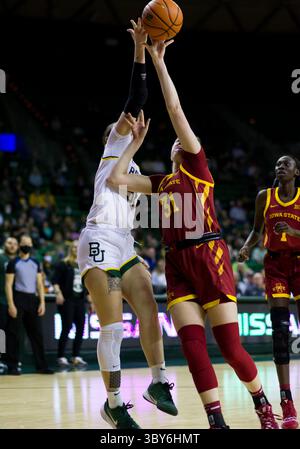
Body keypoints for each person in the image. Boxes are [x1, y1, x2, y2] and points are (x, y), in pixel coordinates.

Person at [108, 39, 278, 429]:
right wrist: (133, 143)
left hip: (209, 255)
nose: (178, 139)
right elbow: (118, 177)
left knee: (231, 348)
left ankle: (262, 404)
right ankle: (216, 420)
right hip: (177, 262)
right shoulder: (161, 180)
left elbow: (173, 108)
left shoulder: (196, 167)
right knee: (193, 347)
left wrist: (157, 60)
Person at [77, 19, 176, 429]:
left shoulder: (131, 163)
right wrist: (141, 50)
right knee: (114, 327)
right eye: (120, 124)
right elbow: (138, 95)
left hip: (124, 243)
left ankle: (157, 382)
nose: (128, 122)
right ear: (111, 136)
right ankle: (114, 404)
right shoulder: (116, 145)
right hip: (99, 239)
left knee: (151, 307)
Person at [239, 154, 300, 429]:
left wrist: (293, 231)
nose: (280, 166)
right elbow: (256, 230)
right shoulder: (265, 196)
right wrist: (247, 246)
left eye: (286, 163)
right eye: (277, 164)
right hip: (275, 265)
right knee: (280, 332)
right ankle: (287, 402)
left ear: (297, 171)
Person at [4, 235, 53, 375]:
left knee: (37, 334)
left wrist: (42, 302)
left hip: (33, 299)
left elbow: (39, 283)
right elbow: (8, 285)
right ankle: (13, 366)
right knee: (15, 334)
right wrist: (11, 304)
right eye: (24, 243)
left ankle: (42, 366)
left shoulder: (36, 263)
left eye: (28, 243)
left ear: (31, 245)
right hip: (18, 298)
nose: (26, 245)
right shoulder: (13, 263)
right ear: (20, 245)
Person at [53, 240, 89, 369]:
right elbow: (55, 281)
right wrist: (58, 293)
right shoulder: (63, 264)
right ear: (70, 249)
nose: (75, 249)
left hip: (80, 300)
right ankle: (61, 356)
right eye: (73, 247)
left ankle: (76, 356)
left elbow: (88, 283)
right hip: (67, 300)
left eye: (78, 247)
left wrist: (89, 297)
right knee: (66, 327)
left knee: (80, 328)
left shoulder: (84, 265)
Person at [0, 237, 19, 374]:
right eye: (9, 243)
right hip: (1, 300)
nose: (12, 246)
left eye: (14, 244)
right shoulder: (1, 258)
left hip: (17, 302)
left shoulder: (20, 260)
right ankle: (1, 361)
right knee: (1, 332)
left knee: (13, 333)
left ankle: (12, 361)